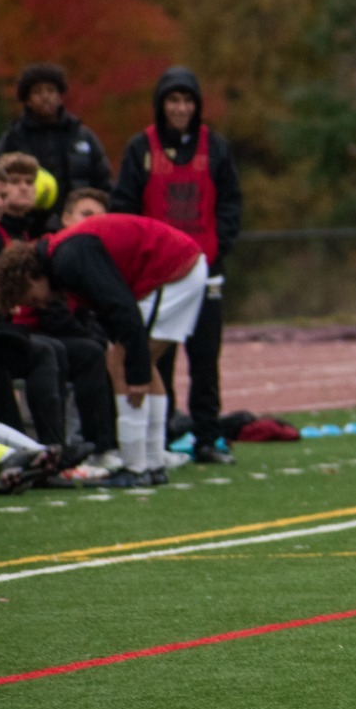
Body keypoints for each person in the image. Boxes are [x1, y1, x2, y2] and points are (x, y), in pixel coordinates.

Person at [0, 212, 207, 487]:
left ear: (30, 277)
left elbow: (122, 307)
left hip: (171, 266)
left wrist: (136, 373)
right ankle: (152, 463)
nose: (39, 305)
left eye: (31, 298)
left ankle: (136, 466)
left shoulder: (68, 259)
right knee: (133, 360)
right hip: (179, 264)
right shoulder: (63, 257)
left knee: (122, 363)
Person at [110, 66, 243, 464]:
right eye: (173, 100)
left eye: (187, 100)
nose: (181, 108)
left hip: (205, 269)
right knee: (157, 355)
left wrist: (217, 249)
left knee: (205, 355)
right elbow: (125, 208)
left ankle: (206, 436)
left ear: (197, 105)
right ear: (161, 104)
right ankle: (161, 436)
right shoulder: (141, 149)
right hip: (158, 274)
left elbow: (231, 203)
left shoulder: (215, 147)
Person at [0, 62, 111, 209]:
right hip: (28, 221)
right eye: (37, 92)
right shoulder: (13, 139)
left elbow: (104, 181)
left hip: (76, 219)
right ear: (27, 100)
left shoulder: (82, 136)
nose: (45, 96)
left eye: (51, 90)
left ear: (60, 97)